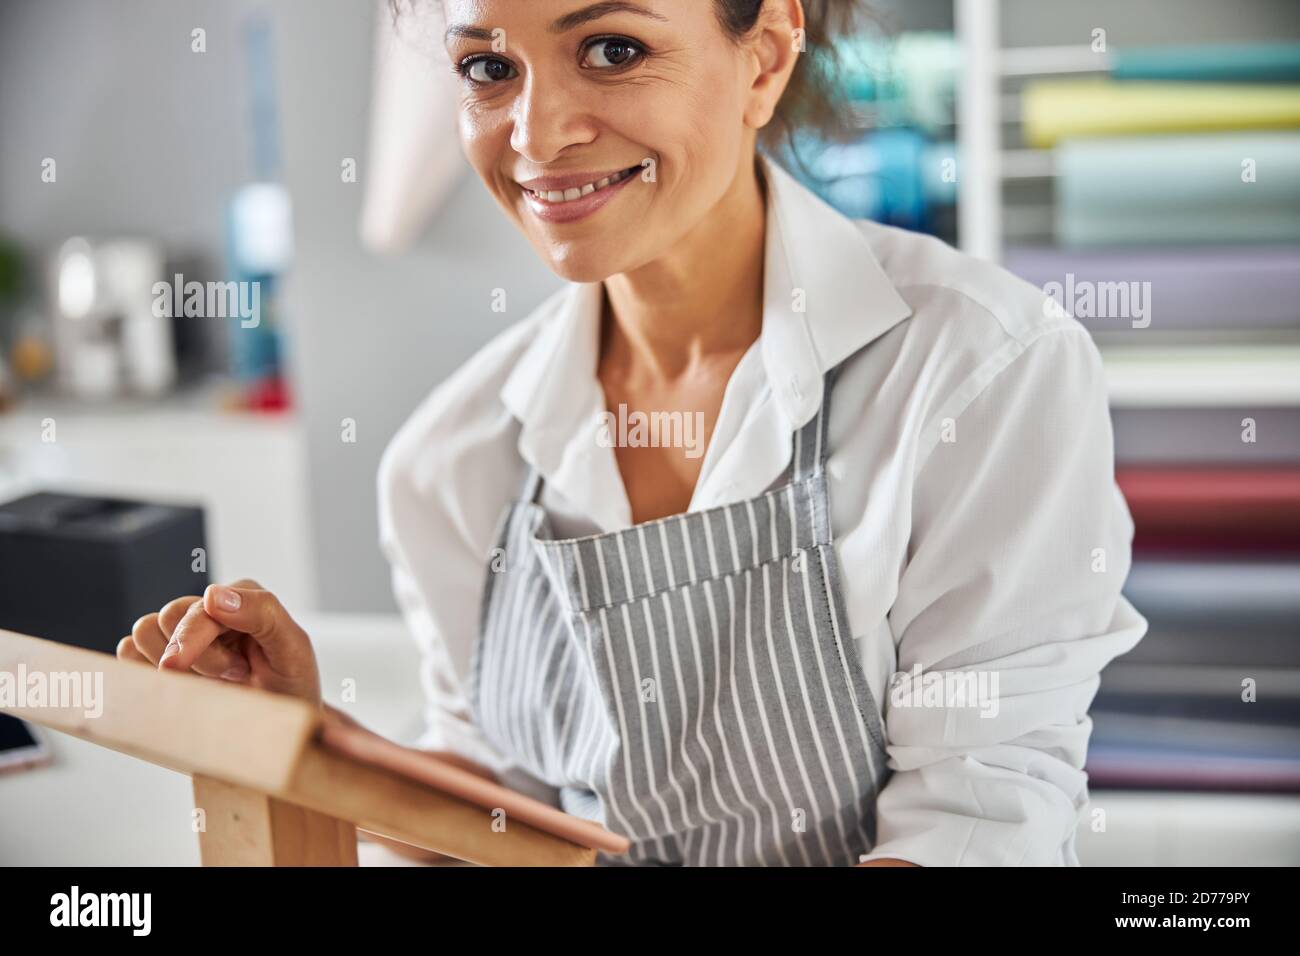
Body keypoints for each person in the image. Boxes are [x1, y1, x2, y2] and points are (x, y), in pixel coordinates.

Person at [119, 0, 1147, 866]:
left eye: (611, 49)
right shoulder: (449, 458)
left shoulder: (982, 370)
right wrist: (314, 746)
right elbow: (509, 813)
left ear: (765, 58)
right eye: (487, 67)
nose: (536, 133)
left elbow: (978, 814)